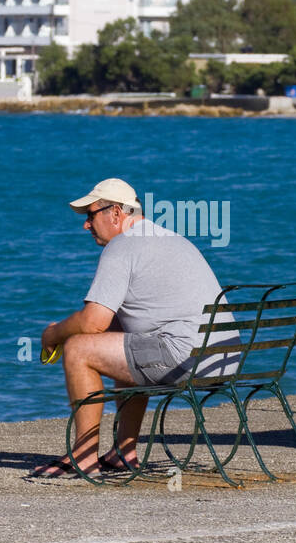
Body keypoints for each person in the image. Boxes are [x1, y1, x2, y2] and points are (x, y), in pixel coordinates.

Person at [32, 178, 239, 478]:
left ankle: (84, 455)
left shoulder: (123, 246)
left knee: (77, 349)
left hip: (187, 359)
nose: (86, 226)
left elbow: (93, 321)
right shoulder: (170, 238)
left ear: (115, 213)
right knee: (125, 343)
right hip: (224, 360)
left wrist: (52, 335)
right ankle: (123, 452)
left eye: (90, 215)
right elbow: (114, 327)